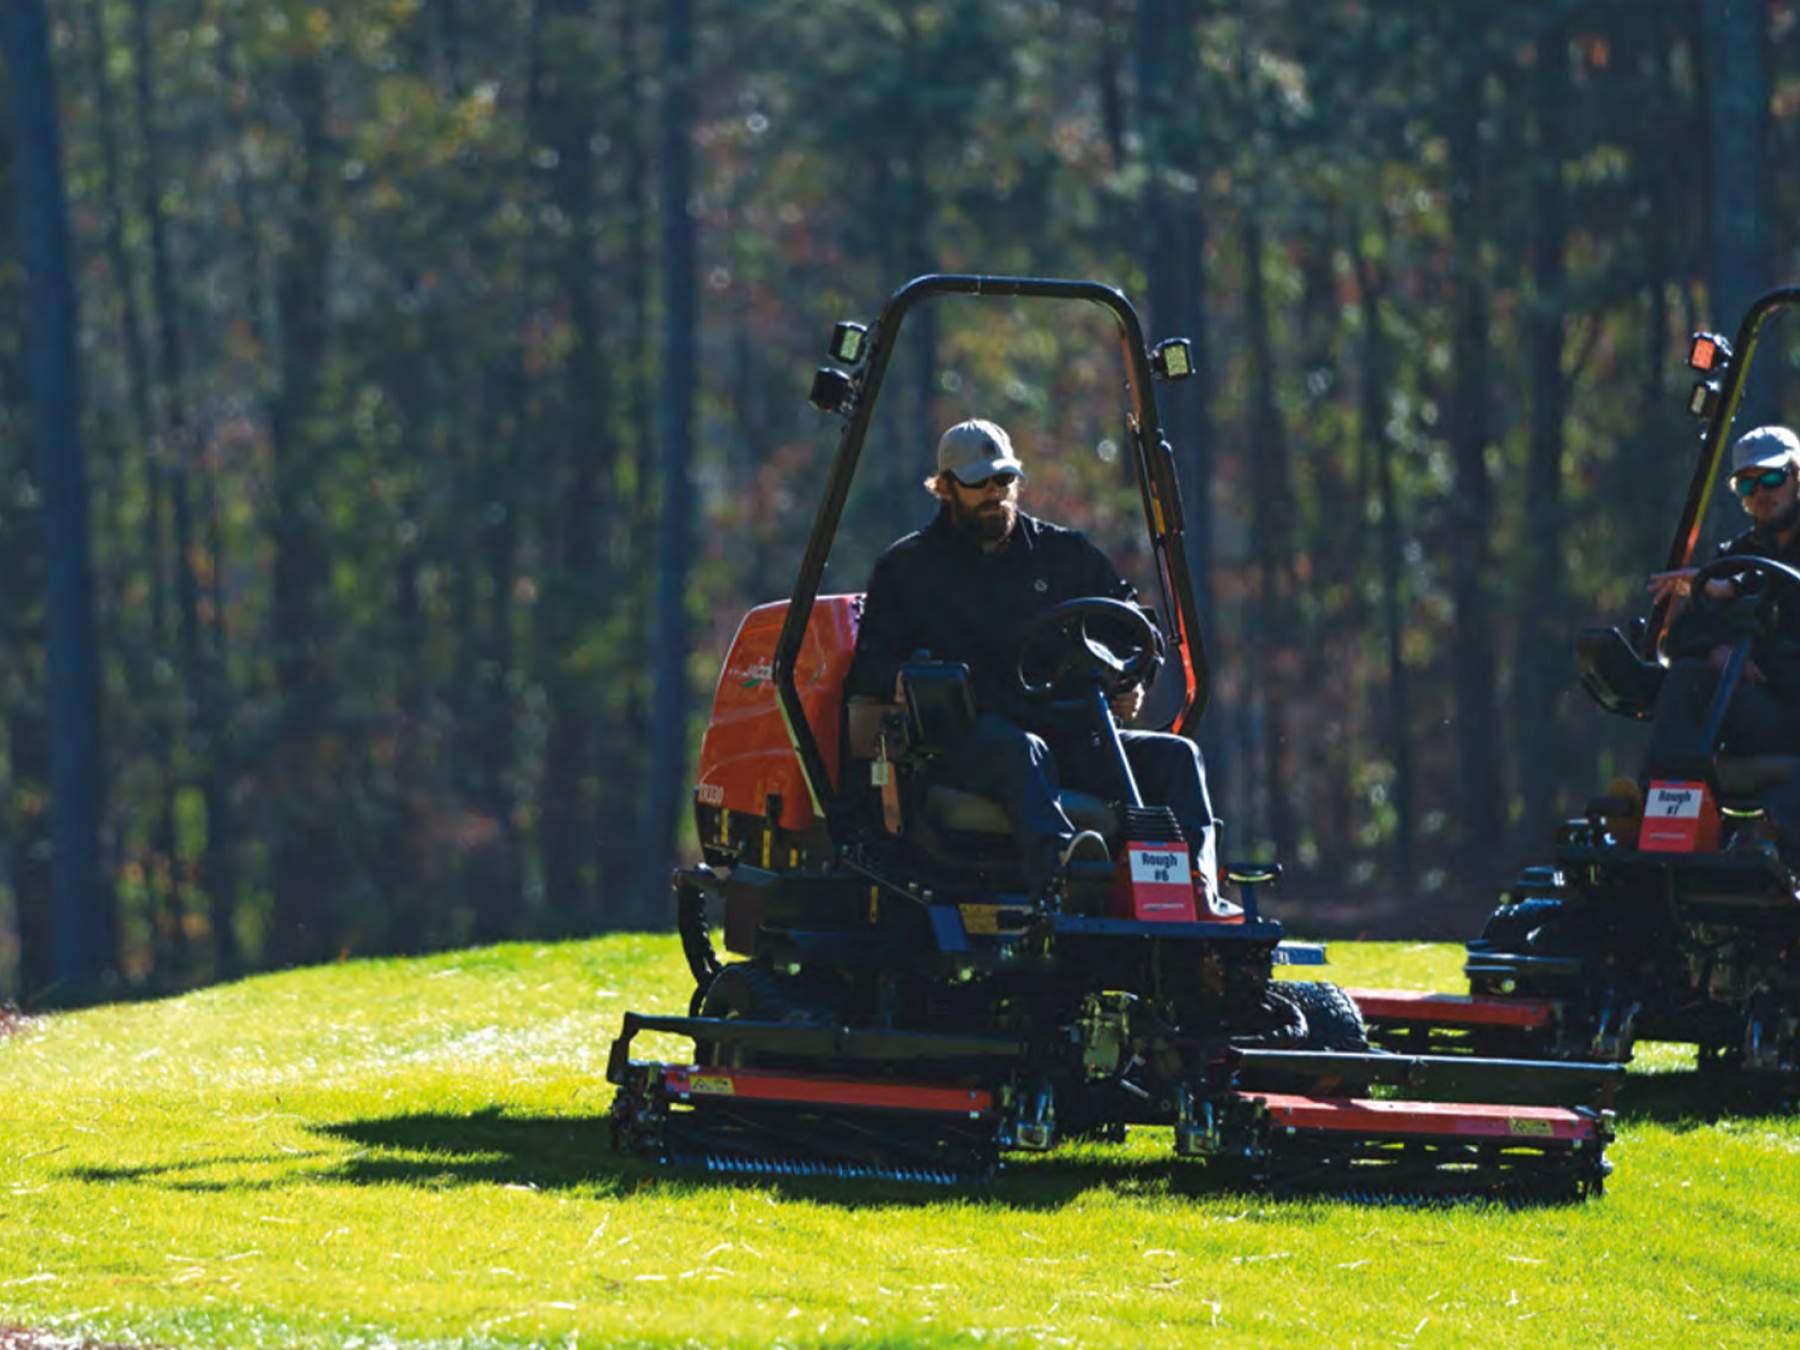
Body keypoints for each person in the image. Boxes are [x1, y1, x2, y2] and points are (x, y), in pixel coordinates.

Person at [846, 417, 1220, 900]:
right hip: (965, 745)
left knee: (1176, 755)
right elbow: (870, 668)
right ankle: (1063, 879)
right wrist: (903, 680)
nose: (993, 493)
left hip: (1070, 729)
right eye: (977, 483)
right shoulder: (910, 569)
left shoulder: (1063, 555)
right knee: (1021, 750)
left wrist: (1132, 678)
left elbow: (1133, 627)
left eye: (1003, 479)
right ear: (945, 488)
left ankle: (1194, 891)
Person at [1643, 425, 1800, 856]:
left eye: (1771, 478)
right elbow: (1681, 641)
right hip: (1757, 715)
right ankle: (1654, 819)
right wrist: (1716, 651)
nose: (1761, 492)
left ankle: (1775, 844)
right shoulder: (1736, 554)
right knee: (1688, 677)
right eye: (1747, 484)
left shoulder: (1740, 571)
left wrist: (1737, 593)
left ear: (1796, 476)